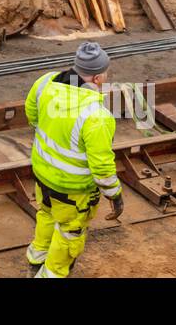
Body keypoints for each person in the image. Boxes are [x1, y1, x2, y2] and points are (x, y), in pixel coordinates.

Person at [24, 42, 123, 278]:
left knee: (46, 214)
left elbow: (31, 114)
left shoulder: (45, 82)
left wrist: (54, 137)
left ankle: (35, 262)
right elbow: (101, 168)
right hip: (73, 189)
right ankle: (52, 274)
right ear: (98, 78)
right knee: (70, 233)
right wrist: (114, 194)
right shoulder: (96, 116)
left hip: (42, 175)